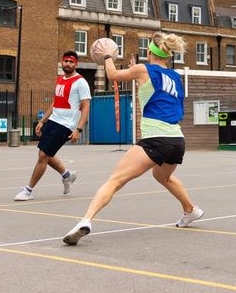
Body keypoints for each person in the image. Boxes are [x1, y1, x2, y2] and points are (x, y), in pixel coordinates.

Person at [62, 33, 201, 245]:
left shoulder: (144, 69)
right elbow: (161, 97)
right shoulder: (175, 76)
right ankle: (190, 210)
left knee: (115, 180)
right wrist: (135, 72)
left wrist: (107, 56)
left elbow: (113, 75)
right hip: (176, 140)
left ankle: (86, 220)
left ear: (149, 52)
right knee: (162, 176)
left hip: (156, 138)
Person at [16, 52, 90, 201]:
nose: (68, 64)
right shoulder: (60, 79)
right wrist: (42, 120)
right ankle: (67, 175)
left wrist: (79, 129)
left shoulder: (80, 82)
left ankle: (28, 190)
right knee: (45, 154)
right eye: (65, 61)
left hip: (66, 125)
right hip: (53, 121)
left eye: (71, 62)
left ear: (76, 64)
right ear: (62, 62)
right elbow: (55, 102)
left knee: (43, 155)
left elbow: (86, 106)